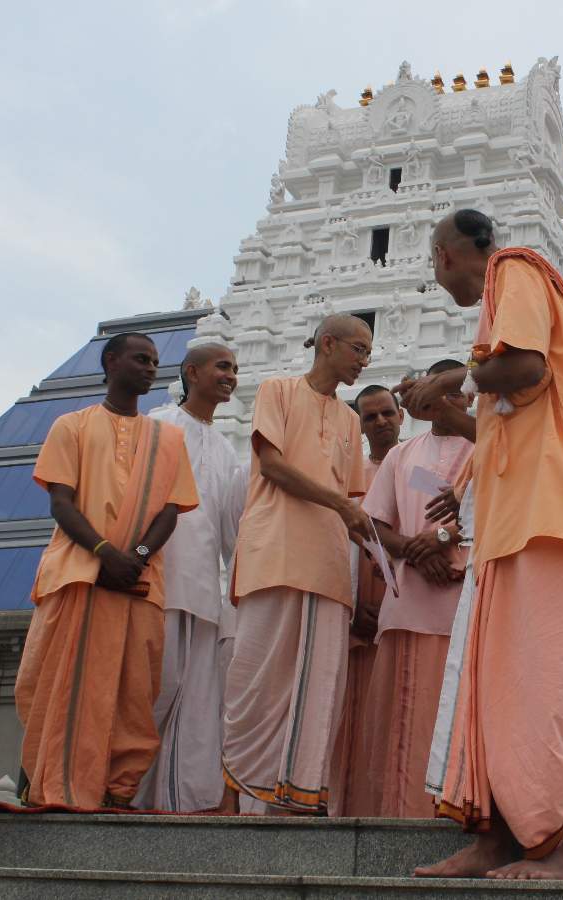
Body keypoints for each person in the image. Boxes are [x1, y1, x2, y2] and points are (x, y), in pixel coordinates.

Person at [397, 210, 563, 879]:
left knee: (546, 681)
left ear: (446, 256)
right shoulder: (500, 302)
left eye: (434, 265)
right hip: (511, 521)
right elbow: (511, 414)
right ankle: (496, 838)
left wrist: (452, 380)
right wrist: (455, 414)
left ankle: (562, 851)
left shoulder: (515, 267)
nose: (438, 277)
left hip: (550, 514)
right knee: (494, 684)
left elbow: (525, 367)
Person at [15, 332, 198, 809]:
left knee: (133, 692)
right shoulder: (71, 425)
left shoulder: (168, 439)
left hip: (138, 579)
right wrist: (103, 552)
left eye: (155, 361)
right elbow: (61, 502)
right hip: (78, 573)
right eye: (141, 358)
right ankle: (54, 783)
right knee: (57, 684)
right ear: (111, 361)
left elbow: (171, 510)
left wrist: (135, 555)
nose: (151, 367)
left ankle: (118, 790)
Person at [218, 314, 373, 815]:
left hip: (328, 564)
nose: (364, 361)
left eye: (369, 353)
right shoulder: (278, 390)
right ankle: (230, 798)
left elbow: (353, 502)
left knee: (319, 684)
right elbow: (273, 466)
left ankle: (297, 800)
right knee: (256, 677)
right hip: (275, 551)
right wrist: (342, 505)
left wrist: (390, 546)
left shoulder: (350, 420)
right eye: (358, 349)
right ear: (327, 344)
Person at [360, 359, 473, 818]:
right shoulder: (401, 456)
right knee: (404, 722)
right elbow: (375, 524)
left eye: (456, 392)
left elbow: (503, 507)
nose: (447, 402)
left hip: (468, 603)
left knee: (458, 714)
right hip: (409, 606)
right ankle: (402, 817)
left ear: (470, 396)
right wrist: (416, 551)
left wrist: (444, 540)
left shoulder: (488, 448)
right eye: (438, 393)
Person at [134, 343, 244, 812]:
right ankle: (123, 792)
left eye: (235, 368)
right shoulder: (158, 424)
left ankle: (180, 806)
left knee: (197, 704)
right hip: (155, 580)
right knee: (152, 692)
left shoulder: (226, 449)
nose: (231, 375)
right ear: (192, 373)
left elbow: (230, 530)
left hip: (204, 590)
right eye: (222, 366)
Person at [328, 384, 404, 816]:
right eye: (370, 417)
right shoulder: (348, 478)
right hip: (355, 613)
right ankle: (344, 807)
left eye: (387, 413)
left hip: (402, 611)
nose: (380, 423)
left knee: (394, 711)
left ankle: (390, 808)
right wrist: (352, 604)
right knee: (348, 713)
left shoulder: (416, 466)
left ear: (402, 416)